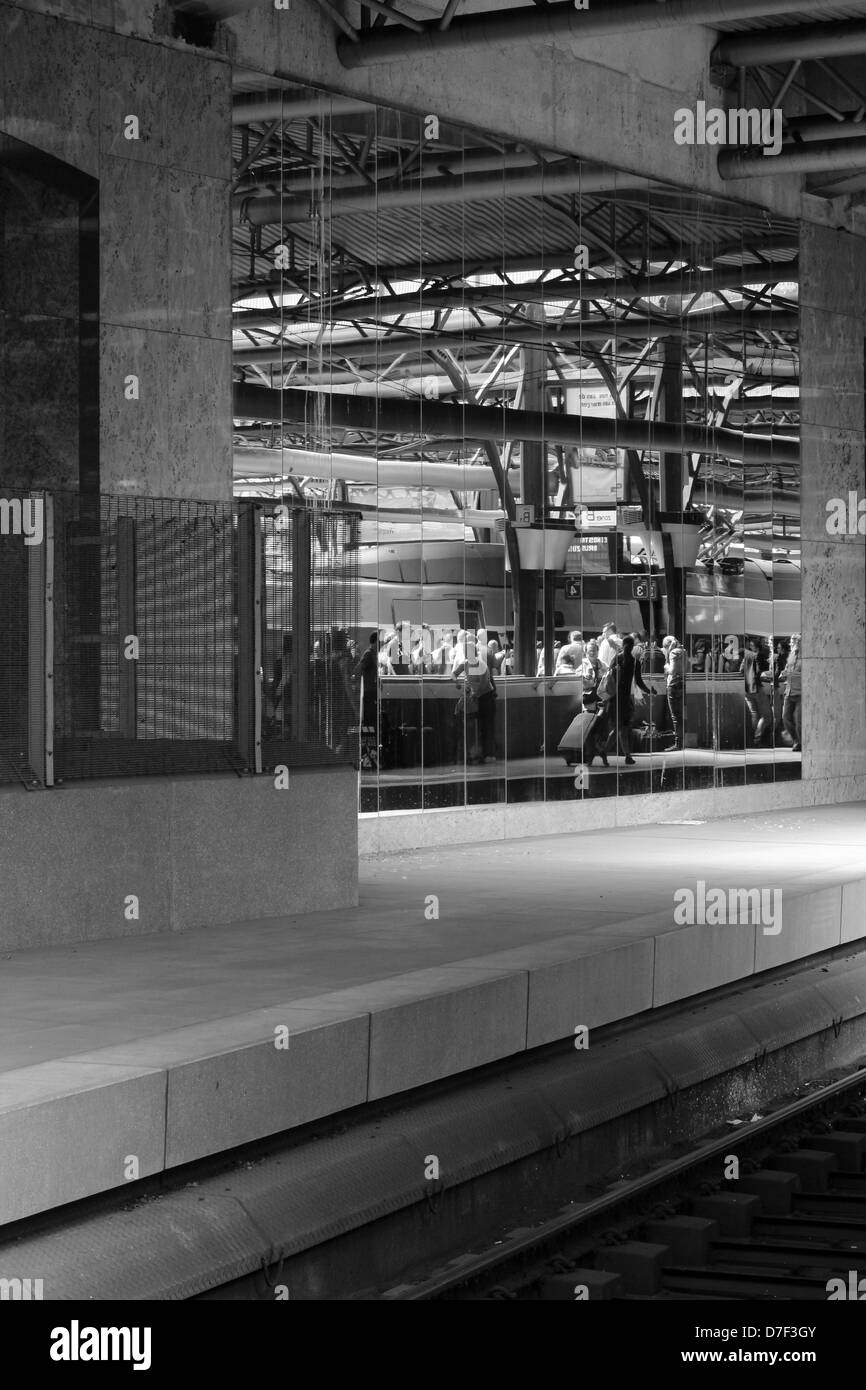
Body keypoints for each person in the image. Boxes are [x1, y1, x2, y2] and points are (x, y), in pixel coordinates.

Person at [607, 634, 651, 764]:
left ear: (622, 645)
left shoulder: (616, 659)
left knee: (619, 728)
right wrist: (650, 691)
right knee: (623, 728)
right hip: (626, 700)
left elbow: (608, 678)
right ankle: (627, 756)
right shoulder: (634, 662)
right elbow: (639, 682)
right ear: (632, 646)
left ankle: (605, 751)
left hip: (615, 699)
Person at [453, 644, 497, 763]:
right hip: (476, 698)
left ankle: (489, 755)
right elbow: (454, 673)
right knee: (479, 727)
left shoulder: (481, 664)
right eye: (465, 652)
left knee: (487, 726)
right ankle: (479, 754)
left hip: (486, 697)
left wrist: (475, 694)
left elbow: (485, 682)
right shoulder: (466, 663)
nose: (466, 654)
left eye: (467, 652)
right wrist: (456, 682)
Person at [741, 635, 771, 746]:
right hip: (756, 688)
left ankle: (753, 739)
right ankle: (757, 738)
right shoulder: (756, 655)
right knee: (767, 716)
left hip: (746, 689)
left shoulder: (745, 656)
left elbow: (740, 670)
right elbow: (759, 671)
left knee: (754, 714)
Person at [662, 634, 686, 750]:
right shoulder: (684, 651)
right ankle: (681, 743)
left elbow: (672, 670)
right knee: (681, 716)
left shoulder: (673, 653)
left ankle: (678, 744)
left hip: (673, 685)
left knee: (675, 716)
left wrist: (666, 666)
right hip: (683, 685)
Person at [781, 632, 802, 752]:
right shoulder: (791, 655)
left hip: (800, 693)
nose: (793, 643)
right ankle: (796, 740)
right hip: (789, 692)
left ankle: (799, 743)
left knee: (798, 720)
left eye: (796, 640)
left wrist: (790, 674)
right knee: (785, 717)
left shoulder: (806, 656)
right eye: (793, 641)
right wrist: (783, 673)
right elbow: (786, 669)